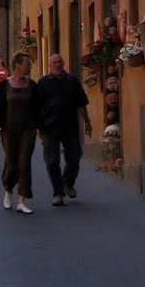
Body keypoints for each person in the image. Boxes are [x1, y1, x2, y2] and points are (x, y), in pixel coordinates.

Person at [37, 52, 92, 205]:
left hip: (70, 126)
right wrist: (39, 129)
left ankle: (68, 181)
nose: (58, 65)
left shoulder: (72, 81)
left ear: (64, 63)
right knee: (52, 161)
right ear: (49, 65)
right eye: (54, 62)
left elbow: (81, 103)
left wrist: (87, 122)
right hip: (50, 127)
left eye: (60, 62)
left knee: (75, 156)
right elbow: (37, 107)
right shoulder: (43, 83)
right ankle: (58, 193)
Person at [0, 52, 42, 213]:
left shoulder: (32, 86)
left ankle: (22, 200)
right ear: (18, 65)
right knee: (11, 162)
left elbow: (37, 109)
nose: (30, 66)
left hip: (28, 129)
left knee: (24, 162)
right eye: (28, 64)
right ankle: (8, 190)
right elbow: (0, 109)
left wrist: (41, 129)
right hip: (9, 130)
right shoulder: (5, 85)